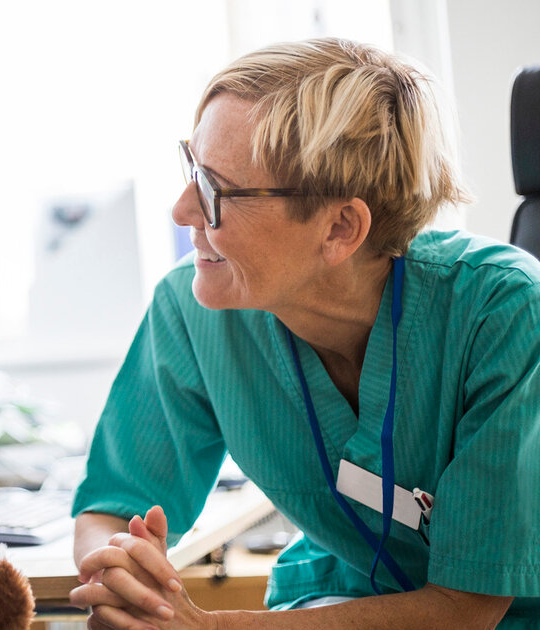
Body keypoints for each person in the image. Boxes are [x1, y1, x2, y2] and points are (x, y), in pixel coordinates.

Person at [70, 37, 540, 628]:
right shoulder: (194, 310)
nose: (182, 210)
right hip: (332, 597)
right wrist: (122, 576)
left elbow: (466, 610)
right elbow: (112, 511)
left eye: (214, 190)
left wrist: (206, 628)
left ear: (340, 227)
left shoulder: (504, 312)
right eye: (191, 169)